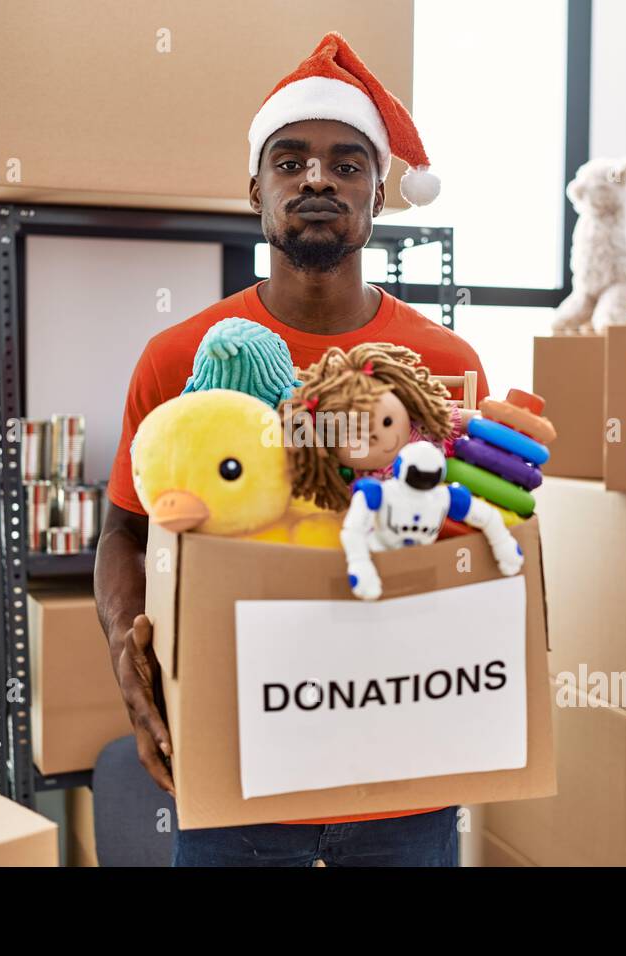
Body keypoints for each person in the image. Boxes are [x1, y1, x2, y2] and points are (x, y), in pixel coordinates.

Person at [95, 31, 490, 867]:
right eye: (290, 160)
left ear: (379, 196)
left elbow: (472, 540)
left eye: (348, 163)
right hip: (236, 769)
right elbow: (125, 531)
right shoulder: (181, 358)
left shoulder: (444, 367)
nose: (317, 178)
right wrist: (130, 661)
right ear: (255, 190)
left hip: (403, 778)